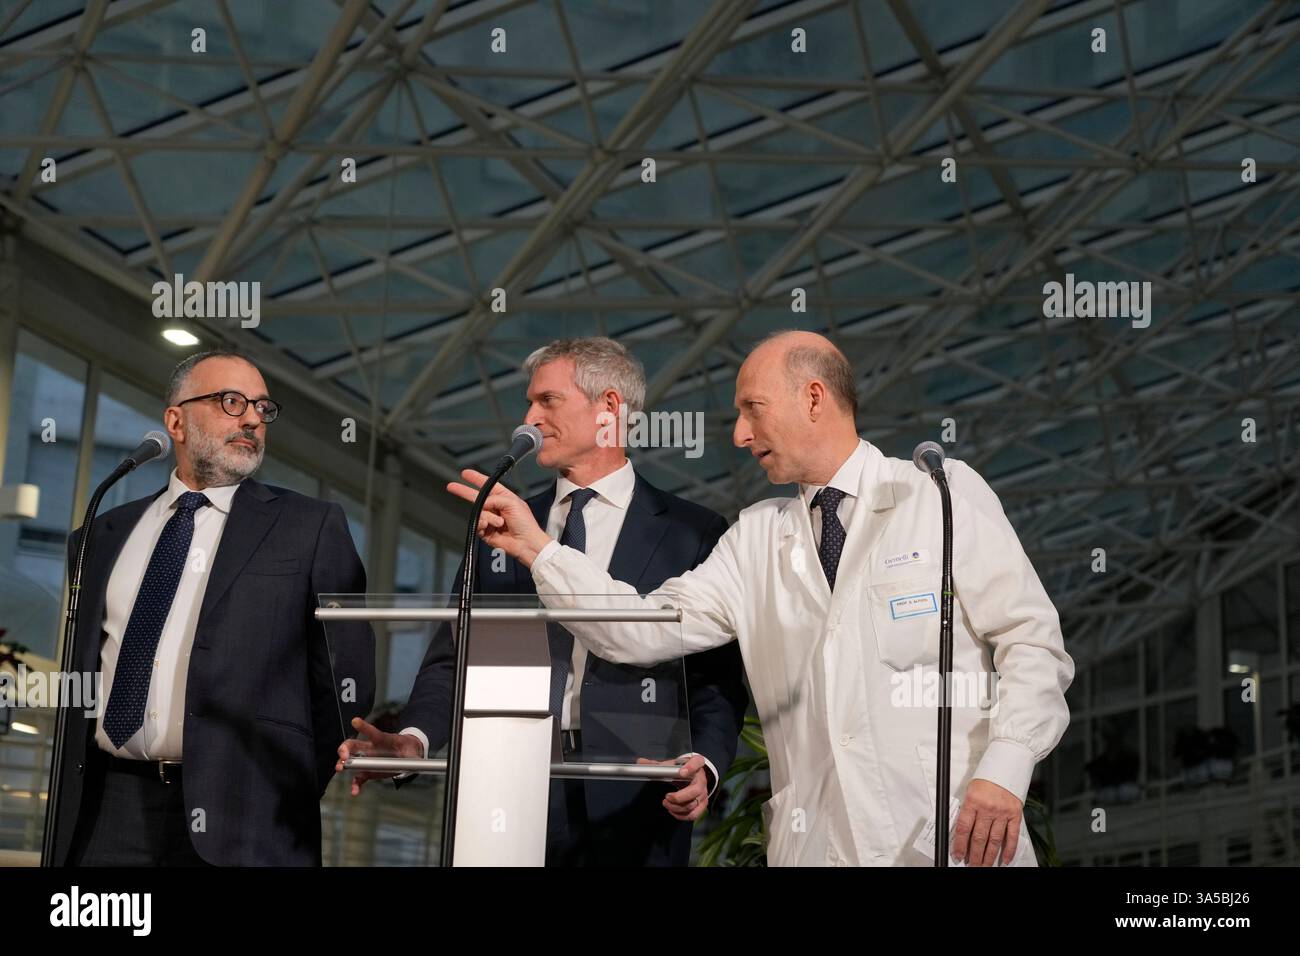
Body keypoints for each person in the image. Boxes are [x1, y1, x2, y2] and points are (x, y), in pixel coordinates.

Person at [447, 330, 1074, 867]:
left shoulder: (936, 492)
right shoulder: (755, 537)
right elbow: (639, 630)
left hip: (951, 831)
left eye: (752, 408)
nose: (741, 435)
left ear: (813, 399)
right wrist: (539, 550)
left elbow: (1033, 644)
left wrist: (1006, 769)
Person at [339, 338, 747, 866]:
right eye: (529, 402)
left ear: (609, 408)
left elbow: (716, 678)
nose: (528, 417)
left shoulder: (693, 531)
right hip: (504, 782)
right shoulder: (500, 523)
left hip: (639, 792)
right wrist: (415, 739)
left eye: (547, 401)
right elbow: (453, 657)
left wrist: (707, 764)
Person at [52, 349, 375, 866]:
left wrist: (280, 791)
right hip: (107, 810)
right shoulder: (102, 535)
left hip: (248, 816)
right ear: (175, 421)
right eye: (231, 402)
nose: (251, 418)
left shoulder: (310, 528)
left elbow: (343, 681)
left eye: (262, 408)